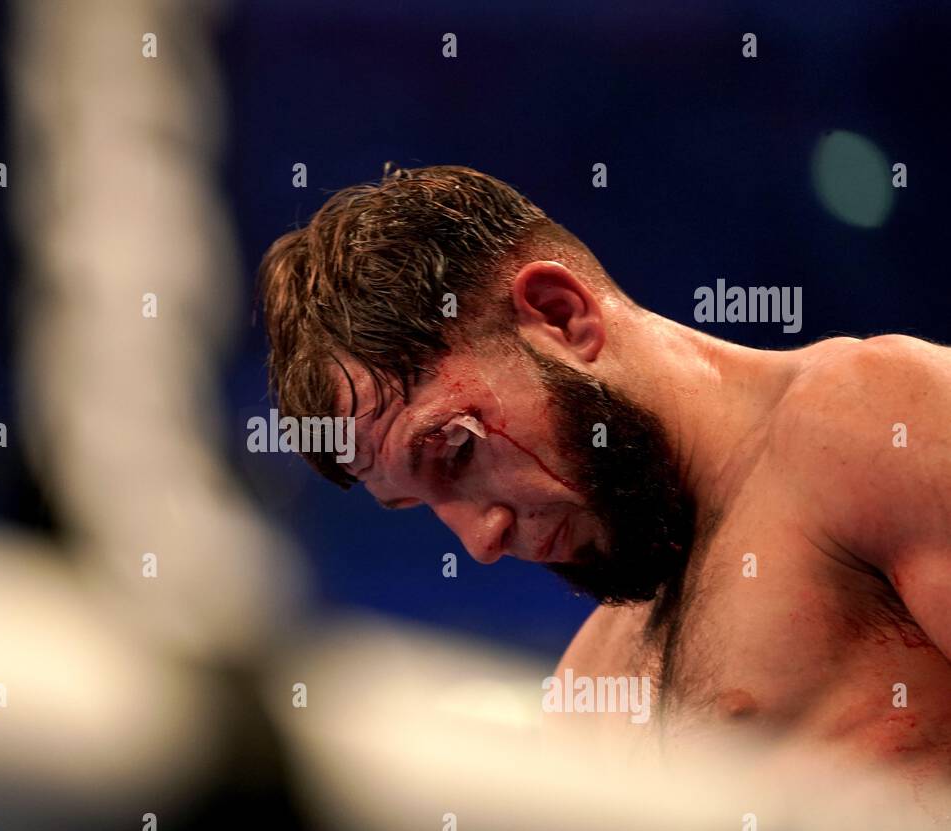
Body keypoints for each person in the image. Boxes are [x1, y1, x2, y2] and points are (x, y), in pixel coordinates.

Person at [255, 164, 951, 796]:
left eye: (457, 450)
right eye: (417, 502)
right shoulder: (588, 682)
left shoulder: (874, 416)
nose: (479, 540)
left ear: (561, 314)